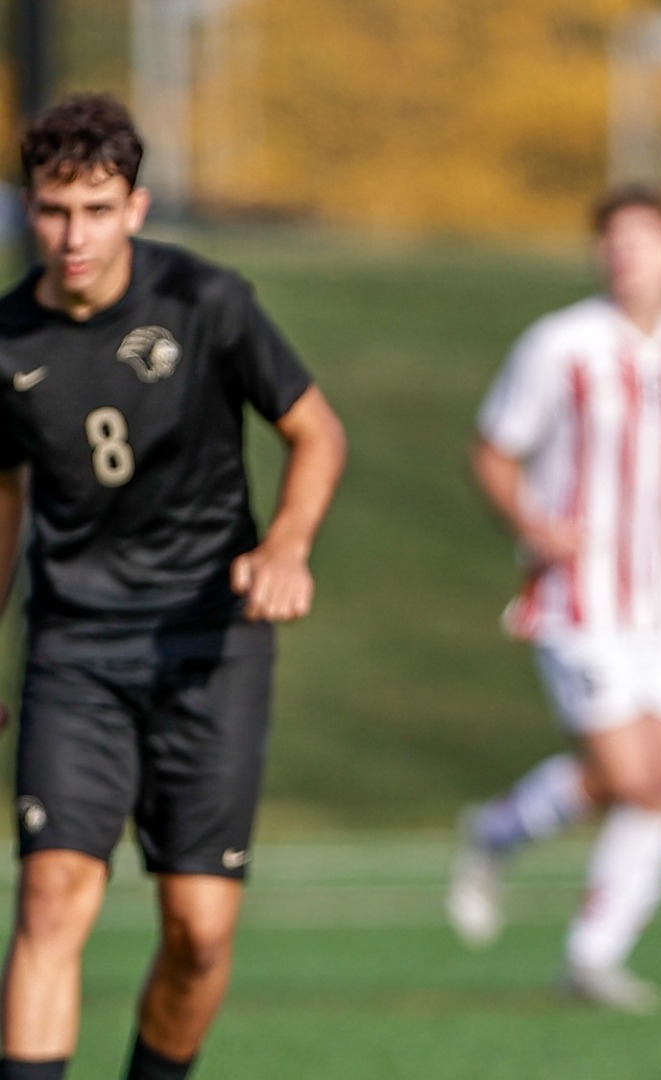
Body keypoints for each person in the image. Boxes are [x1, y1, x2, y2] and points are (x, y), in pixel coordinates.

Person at [0, 95, 347, 1079]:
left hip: (212, 644)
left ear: (136, 206)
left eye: (98, 209)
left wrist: (286, 545)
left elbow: (318, 432)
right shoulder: (6, 340)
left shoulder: (208, 302)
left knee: (197, 932)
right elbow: (4, 501)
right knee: (52, 895)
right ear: (31, 208)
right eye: (57, 209)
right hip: (76, 648)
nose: (76, 235)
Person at [445, 186, 661, 1013]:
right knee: (628, 777)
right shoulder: (561, 345)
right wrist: (533, 522)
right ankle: (495, 836)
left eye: (646, 239)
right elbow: (494, 450)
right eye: (614, 240)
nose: (627, 254)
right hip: (578, 601)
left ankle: (591, 953)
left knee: (659, 785)